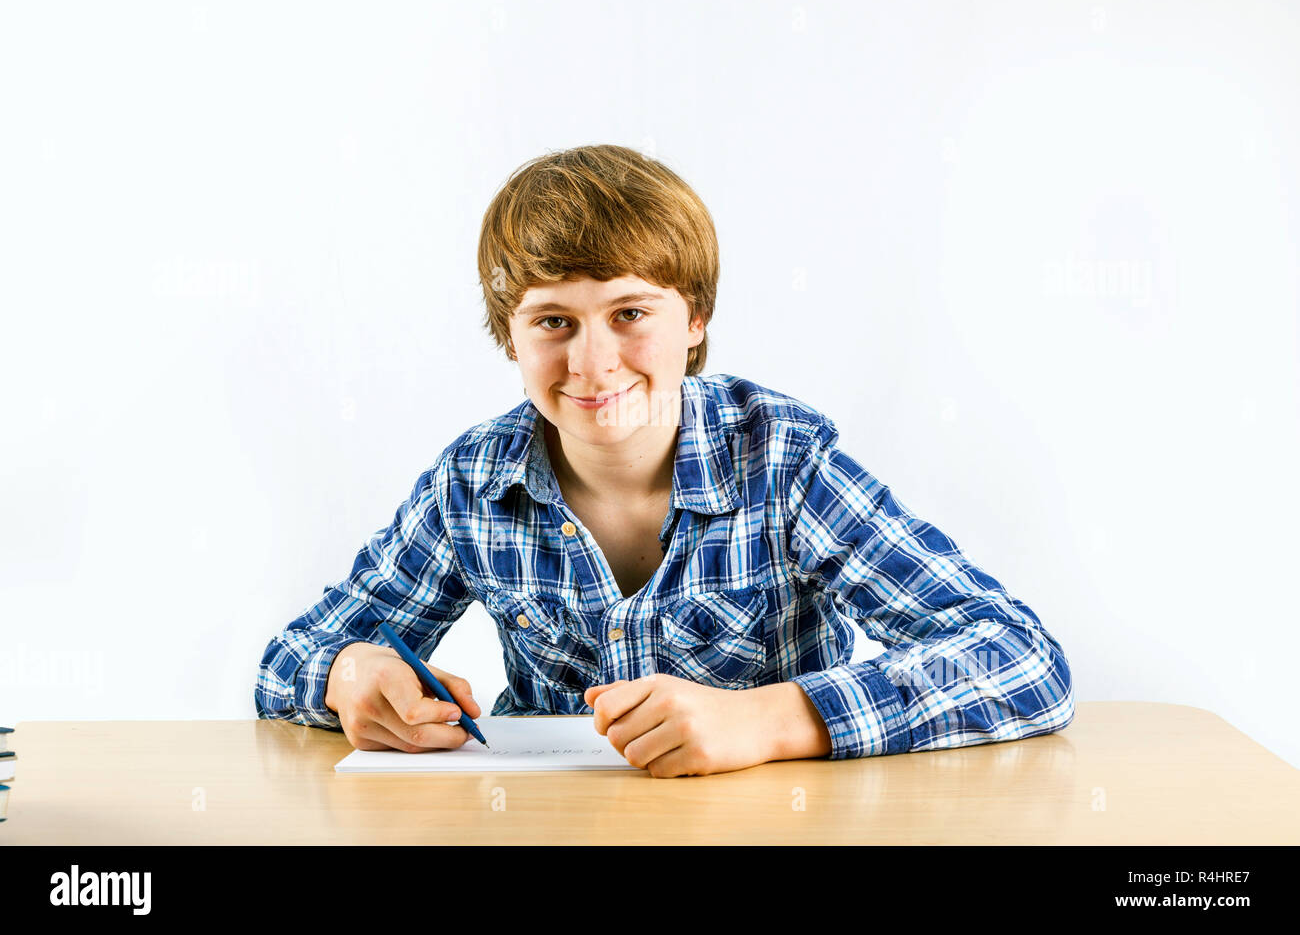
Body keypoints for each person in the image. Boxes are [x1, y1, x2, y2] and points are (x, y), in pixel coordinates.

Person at [255, 144, 1075, 777]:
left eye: (630, 311)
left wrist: (772, 720)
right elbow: (290, 658)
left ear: (695, 318)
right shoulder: (471, 483)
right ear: (509, 334)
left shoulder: (782, 461)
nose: (592, 363)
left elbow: (1022, 659)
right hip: (551, 823)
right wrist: (346, 671)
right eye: (553, 322)